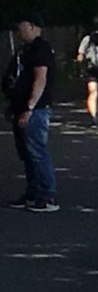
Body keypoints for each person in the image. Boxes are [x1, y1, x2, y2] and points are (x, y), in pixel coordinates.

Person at [3, 15, 59, 212]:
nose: (19, 30)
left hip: (36, 109)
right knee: (27, 153)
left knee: (37, 151)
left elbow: (40, 78)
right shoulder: (26, 49)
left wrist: (30, 107)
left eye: (22, 26)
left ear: (32, 26)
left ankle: (48, 195)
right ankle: (33, 193)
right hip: (21, 107)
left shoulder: (40, 49)